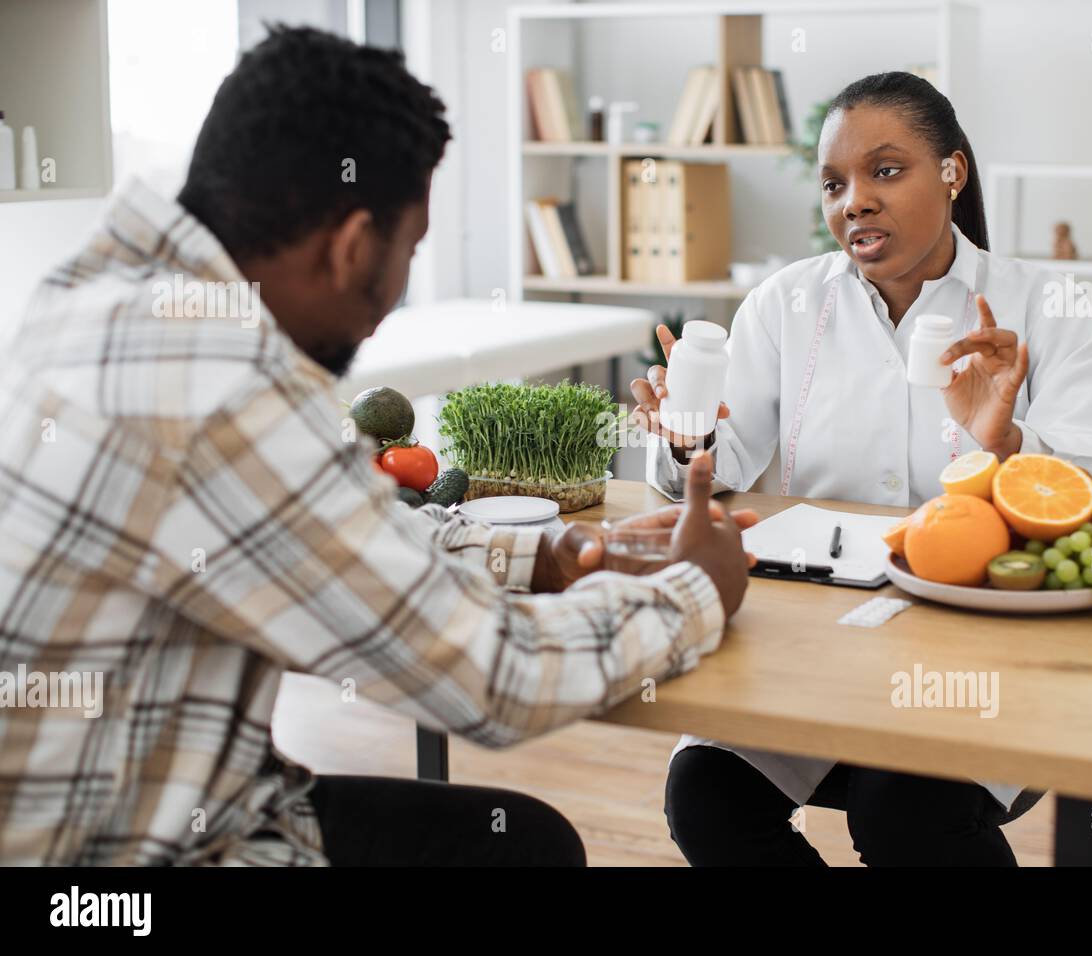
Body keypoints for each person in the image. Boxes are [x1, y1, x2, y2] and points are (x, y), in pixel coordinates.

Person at [0, 25, 755, 867]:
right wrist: (696, 589)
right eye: (410, 252)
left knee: (522, 844)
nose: (394, 298)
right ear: (353, 245)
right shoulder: (222, 388)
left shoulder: (95, 292)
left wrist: (555, 554)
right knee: (524, 852)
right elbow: (495, 678)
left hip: (176, 796)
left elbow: (333, 533)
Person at [631, 71, 1092, 866]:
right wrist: (684, 436)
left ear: (952, 172)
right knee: (704, 794)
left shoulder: (1044, 304)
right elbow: (720, 465)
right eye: (834, 184)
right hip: (813, 641)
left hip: (978, 648)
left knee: (903, 809)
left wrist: (1007, 443)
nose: (855, 202)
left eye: (886, 171)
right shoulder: (783, 304)